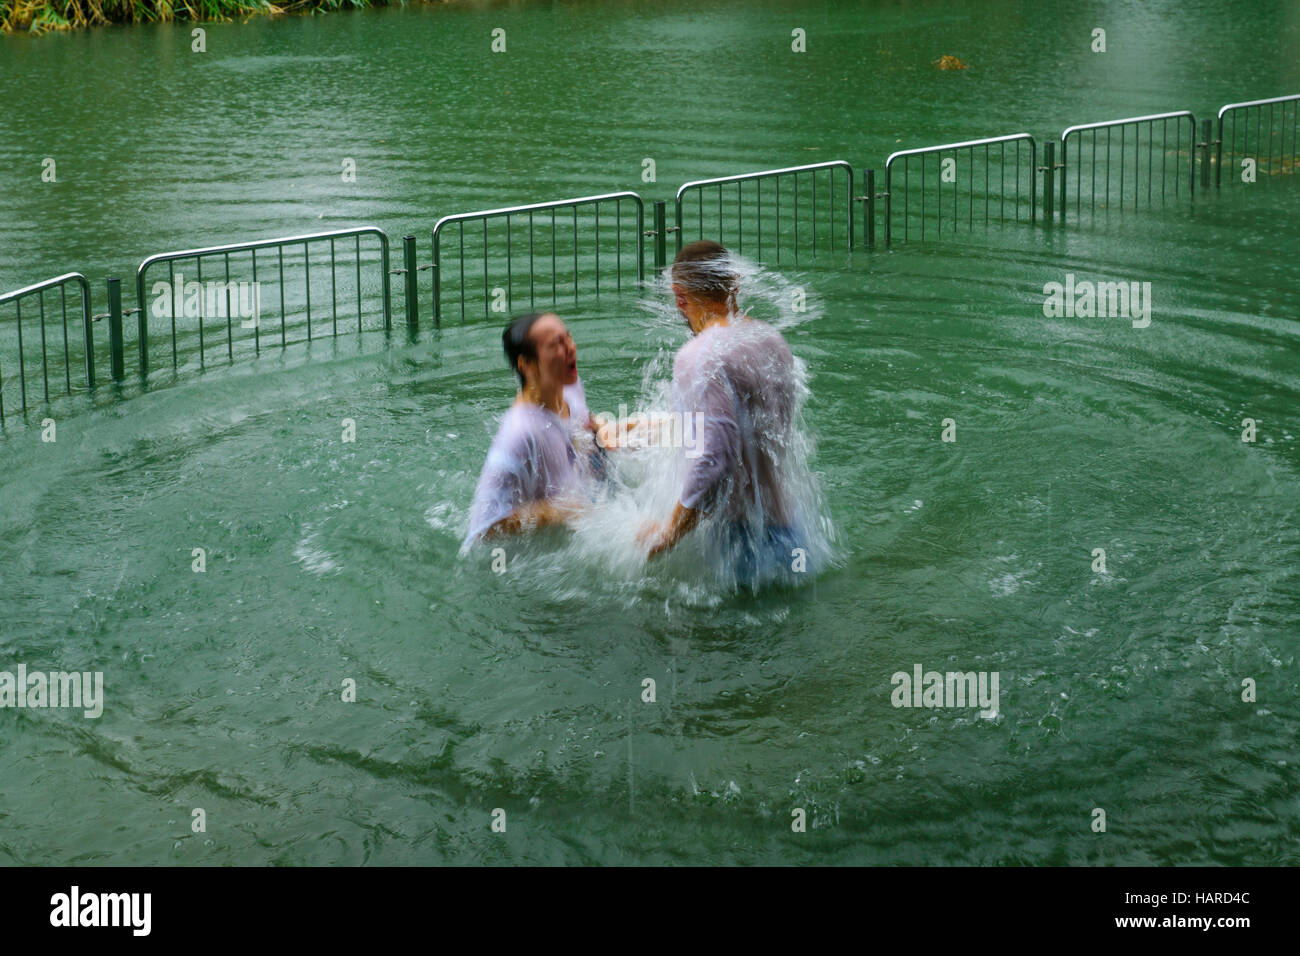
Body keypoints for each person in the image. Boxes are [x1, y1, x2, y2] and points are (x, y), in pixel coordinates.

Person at [638, 241, 803, 583]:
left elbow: (714, 458)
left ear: (679, 296)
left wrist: (669, 532)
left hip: (739, 543)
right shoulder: (772, 340)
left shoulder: (699, 355)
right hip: (789, 533)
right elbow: (752, 432)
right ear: (734, 283)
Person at [462, 311, 603, 548]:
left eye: (568, 337)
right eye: (557, 344)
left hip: (595, 510)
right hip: (548, 557)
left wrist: (601, 427)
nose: (571, 347)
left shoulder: (568, 386)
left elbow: (580, 426)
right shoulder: (518, 434)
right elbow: (483, 528)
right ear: (526, 365)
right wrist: (553, 512)